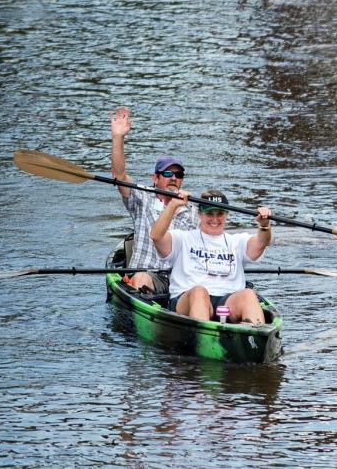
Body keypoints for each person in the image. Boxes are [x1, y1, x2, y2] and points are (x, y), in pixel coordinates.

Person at [150, 189, 273, 325]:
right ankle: (202, 339)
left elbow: (261, 243)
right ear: (200, 214)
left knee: (249, 294)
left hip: (227, 301)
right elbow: (156, 236)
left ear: (226, 215)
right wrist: (173, 205)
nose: (215, 219)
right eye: (209, 213)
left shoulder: (237, 241)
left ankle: (254, 337)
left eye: (220, 213)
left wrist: (264, 225)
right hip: (187, 299)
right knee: (199, 292)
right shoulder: (182, 238)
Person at [110, 107, 198, 294]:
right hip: (147, 275)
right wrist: (118, 137)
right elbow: (119, 175)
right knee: (142, 278)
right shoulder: (142, 197)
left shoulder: (193, 210)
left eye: (178, 174)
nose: (173, 177)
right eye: (167, 173)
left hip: (180, 279)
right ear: (155, 178)